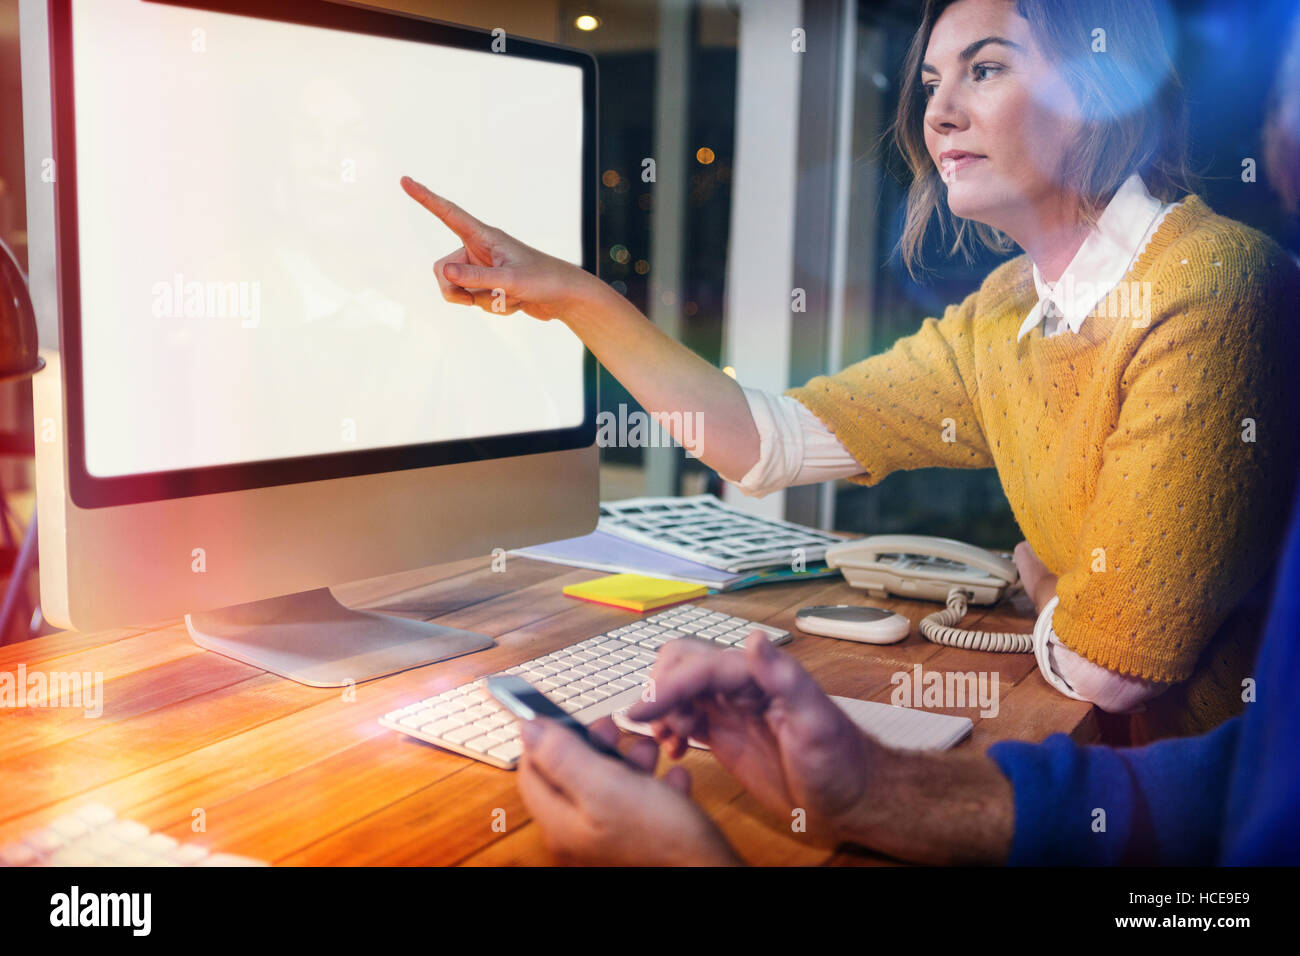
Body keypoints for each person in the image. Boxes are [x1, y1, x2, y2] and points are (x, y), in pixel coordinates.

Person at [471, 0, 1300, 867]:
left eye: (986, 69)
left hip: (1217, 843)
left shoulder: (1210, 283)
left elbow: (1119, 667)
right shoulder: (1009, 311)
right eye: (934, 82)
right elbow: (762, 441)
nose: (938, 113)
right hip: (1109, 792)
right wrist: (573, 297)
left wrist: (1056, 597)